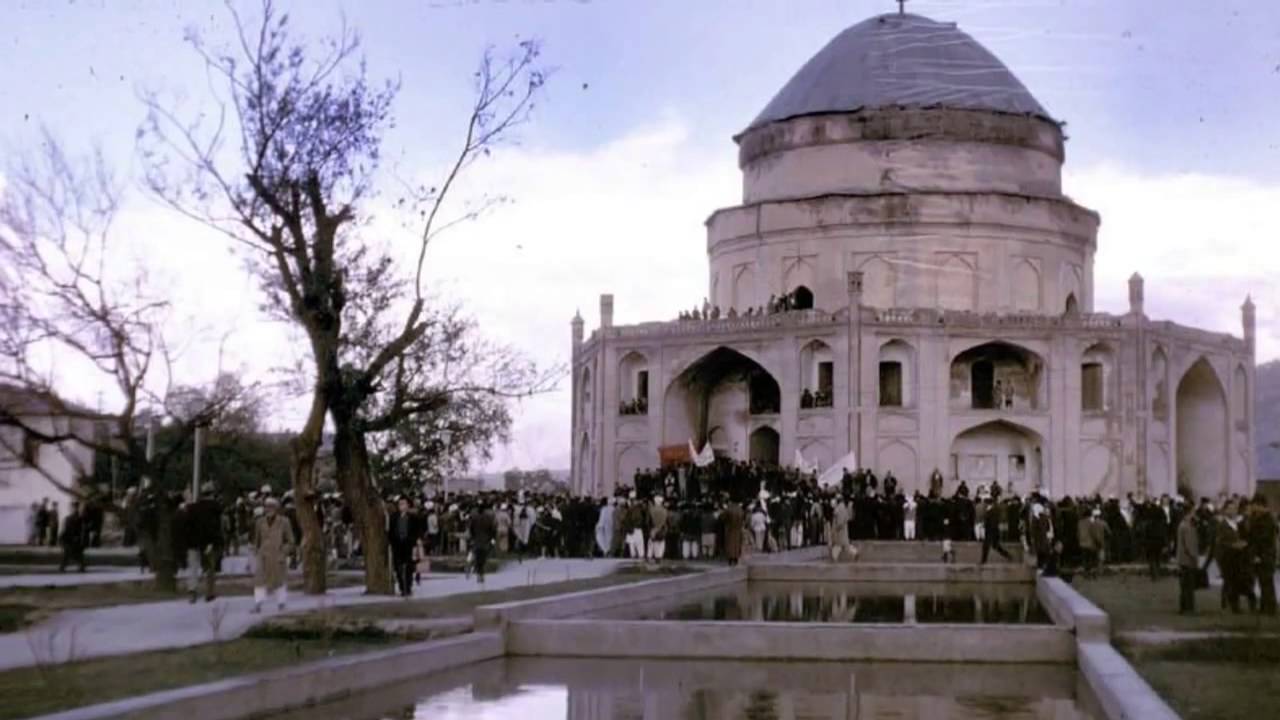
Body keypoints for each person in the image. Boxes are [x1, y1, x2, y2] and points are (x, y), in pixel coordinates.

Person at [183, 482, 224, 603]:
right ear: (212, 494)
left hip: (193, 542)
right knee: (209, 569)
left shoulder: (192, 508)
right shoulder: (216, 508)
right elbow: (215, 527)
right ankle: (209, 593)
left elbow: (187, 526)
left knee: (193, 568)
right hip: (209, 543)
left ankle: (192, 591)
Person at [252, 498, 294, 613]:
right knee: (259, 580)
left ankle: (281, 604)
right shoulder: (259, 522)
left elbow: (290, 540)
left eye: (272, 506)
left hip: (277, 555)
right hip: (263, 555)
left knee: (280, 580)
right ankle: (258, 604)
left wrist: (284, 551)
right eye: (267, 506)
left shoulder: (284, 521)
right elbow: (256, 540)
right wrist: (255, 551)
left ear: (276, 508)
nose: (269, 509)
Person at [1245, 494, 1278, 616]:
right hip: (1260, 555)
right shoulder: (1259, 518)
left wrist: (1258, 555)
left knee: (1267, 582)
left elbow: (1262, 539)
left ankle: (1270, 608)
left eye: (1254, 505)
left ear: (1260, 505)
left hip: (1265, 556)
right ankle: (1265, 606)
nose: (1253, 508)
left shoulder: (1267, 520)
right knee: (1263, 582)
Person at [388, 497, 419, 598]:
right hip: (397, 544)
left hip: (408, 544)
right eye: (400, 504)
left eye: (403, 504)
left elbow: (416, 531)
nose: (401, 506)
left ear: (407, 505)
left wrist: (414, 541)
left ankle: (408, 587)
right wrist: (391, 541)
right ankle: (402, 587)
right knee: (398, 567)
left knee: (409, 567)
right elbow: (390, 531)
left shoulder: (413, 518)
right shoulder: (393, 517)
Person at [1175, 510, 1200, 614]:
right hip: (1188, 560)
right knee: (1189, 586)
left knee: (1184, 585)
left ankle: (1183, 607)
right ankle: (1189, 608)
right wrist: (1195, 558)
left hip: (1182, 559)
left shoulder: (1182, 525)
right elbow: (1190, 545)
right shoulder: (1188, 527)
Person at [469, 502, 497, 584]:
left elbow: (471, 529)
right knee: (483, 557)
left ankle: (479, 573)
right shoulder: (488, 518)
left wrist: (473, 538)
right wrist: (493, 539)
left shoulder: (474, 518)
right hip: (486, 541)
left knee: (478, 557)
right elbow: (492, 530)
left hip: (477, 540)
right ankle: (481, 573)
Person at [58, 501, 88, 573]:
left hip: (77, 539)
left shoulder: (81, 518)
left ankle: (81, 566)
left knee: (76, 554)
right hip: (68, 538)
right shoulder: (68, 518)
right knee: (68, 553)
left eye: (75, 507)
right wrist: (61, 538)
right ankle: (64, 567)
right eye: (73, 507)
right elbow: (64, 529)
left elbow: (83, 530)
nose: (74, 509)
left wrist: (82, 539)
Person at [980, 497, 1011, 564]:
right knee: (995, 546)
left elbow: (993, 521)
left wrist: (988, 527)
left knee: (986, 546)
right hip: (991, 531)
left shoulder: (993, 510)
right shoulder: (990, 509)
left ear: (988, 503)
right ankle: (1007, 555)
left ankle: (983, 560)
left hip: (991, 531)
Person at [721, 499, 745, 566]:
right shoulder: (741, 510)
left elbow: (722, 518)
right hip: (738, 529)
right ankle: (736, 558)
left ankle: (730, 558)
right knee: (737, 544)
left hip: (730, 529)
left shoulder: (728, 509)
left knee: (730, 544)